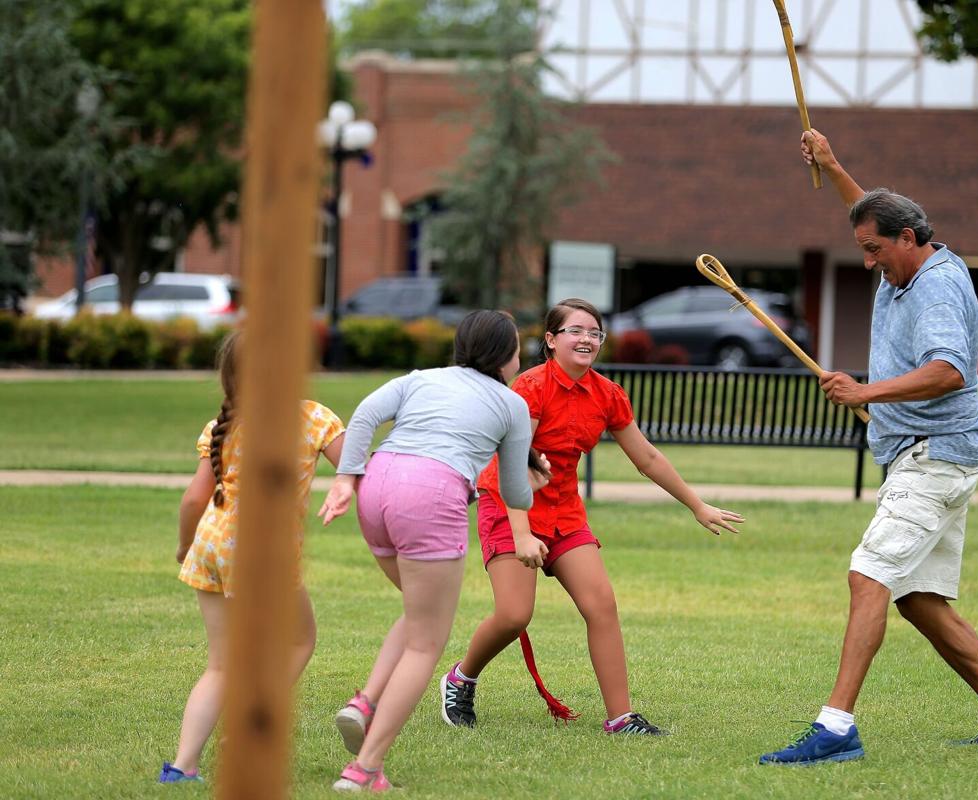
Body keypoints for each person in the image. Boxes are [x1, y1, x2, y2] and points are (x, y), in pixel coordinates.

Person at [757, 130, 978, 767]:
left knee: (868, 576)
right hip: (933, 454)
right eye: (863, 249)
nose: (868, 263)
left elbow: (950, 370)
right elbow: (872, 216)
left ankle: (835, 729)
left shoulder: (935, 287)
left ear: (908, 239)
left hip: (933, 456)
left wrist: (865, 392)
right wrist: (833, 166)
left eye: (874, 251)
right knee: (918, 600)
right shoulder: (905, 255)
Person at [439, 298, 745, 737]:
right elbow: (512, 464)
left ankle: (621, 718)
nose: (587, 339)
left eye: (595, 333)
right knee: (514, 615)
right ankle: (461, 678)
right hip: (509, 505)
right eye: (575, 331)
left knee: (601, 605)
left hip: (563, 511)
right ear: (550, 340)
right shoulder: (530, 388)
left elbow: (647, 457)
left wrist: (697, 504)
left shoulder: (607, 394)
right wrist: (522, 535)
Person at [317, 310, 548, 792]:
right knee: (427, 641)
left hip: (377, 485)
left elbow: (364, 415)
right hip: (429, 494)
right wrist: (536, 481)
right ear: (505, 355)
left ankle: (365, 702)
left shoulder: (421, 378)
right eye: (518, 348)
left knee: (419, 612)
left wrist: (345, 477)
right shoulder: (512, 404)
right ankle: (365, 769)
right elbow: (513, 490)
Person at [160, 331, 346, 783]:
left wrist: (185, 547)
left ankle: (182, 767)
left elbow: (193, 500)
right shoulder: (314, 418)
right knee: (298, 641)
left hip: (212, 544)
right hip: (264, 551)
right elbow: (360, 468)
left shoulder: (222, 425)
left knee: (221, 664)